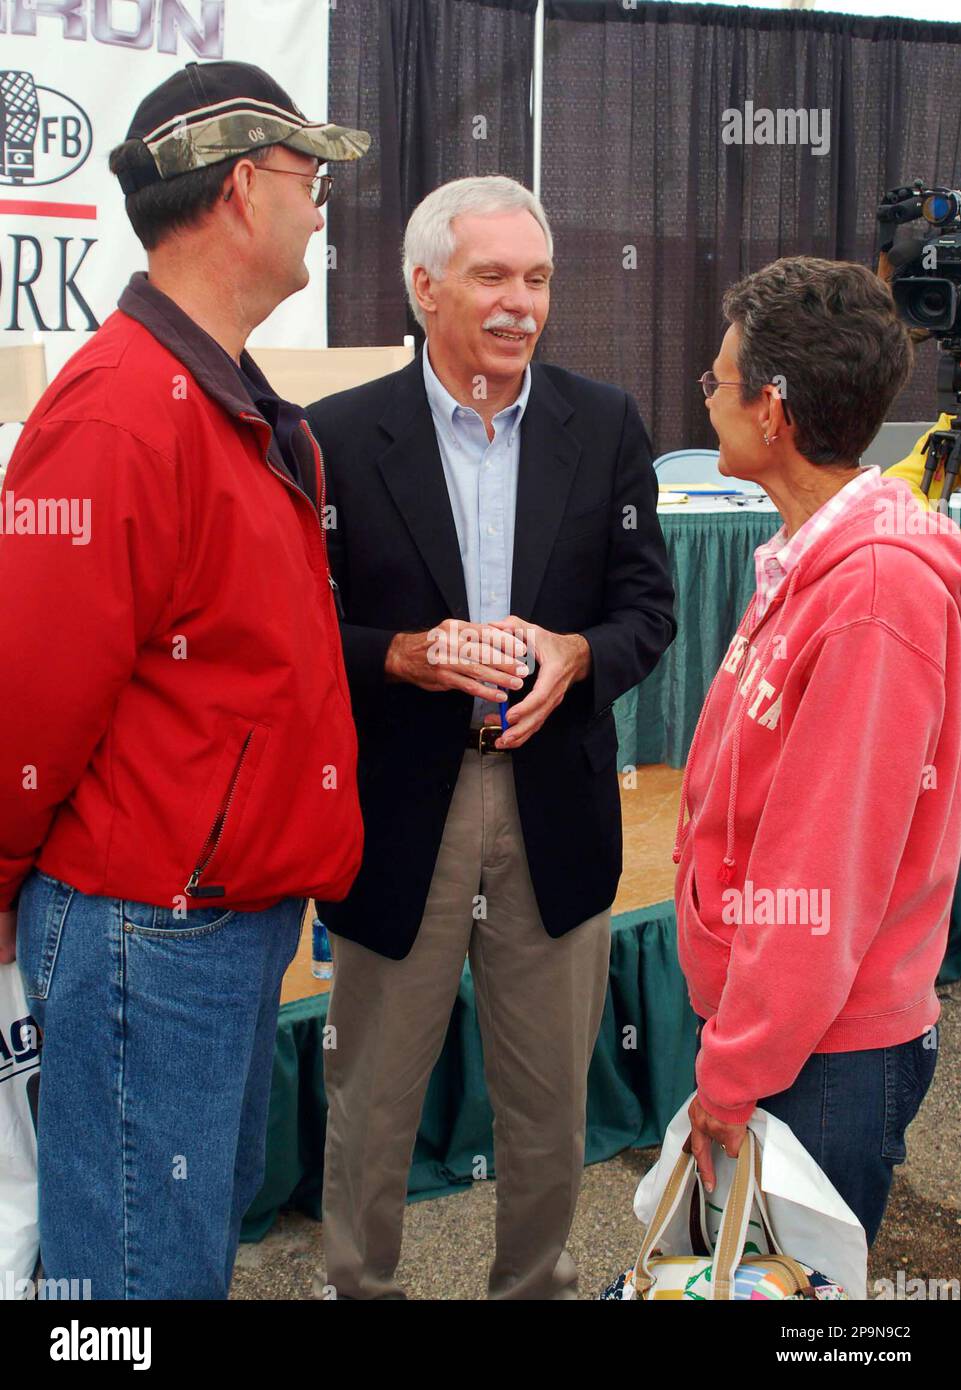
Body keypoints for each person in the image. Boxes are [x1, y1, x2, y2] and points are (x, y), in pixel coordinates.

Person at [0, 60, 369, 1299]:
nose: (322, 202)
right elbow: (26, 694)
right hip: (149, 931)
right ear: (239, 189)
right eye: (308, 177)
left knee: (174, 1263)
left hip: (203, 923)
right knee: (133, 1293)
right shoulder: (120, 412)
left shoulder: (218, 401)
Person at [305, 175, 676, 1300]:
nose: (521, 303)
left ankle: (533, 1290)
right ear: (424, 287)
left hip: (551, 807)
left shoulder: (603, 423)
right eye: (492, 275)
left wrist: (576, 655)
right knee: (370, 1098)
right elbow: (302, 628)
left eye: (539, 278)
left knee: (548, 1100)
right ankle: (357, 1287)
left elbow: (646, 610)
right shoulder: (335, 435)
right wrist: (403, 656)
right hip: (398, 813)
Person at [676, 255, 961, 1245]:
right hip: (789, 1039)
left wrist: (734, 1072)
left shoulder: (873, 591)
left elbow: (822, 877)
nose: (706, 396)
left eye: (717, 379)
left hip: (822, 1060)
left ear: (775, 411)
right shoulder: (817, 560)